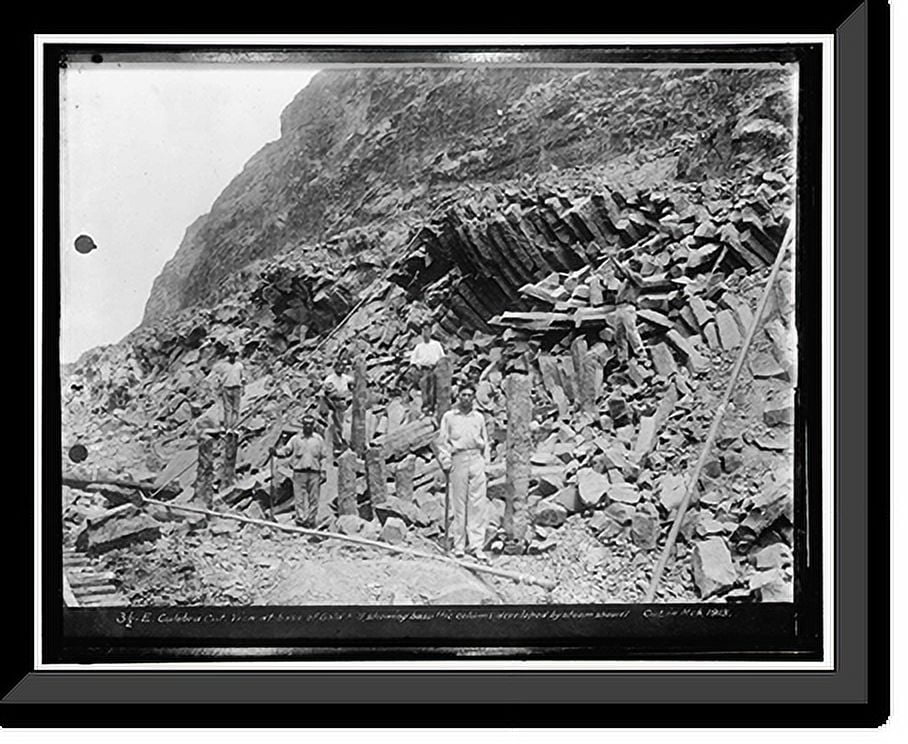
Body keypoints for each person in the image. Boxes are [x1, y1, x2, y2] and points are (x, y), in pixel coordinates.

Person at [437, 384, 491, 561]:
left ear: (474, 397)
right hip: (458, 458)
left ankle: (476, 545)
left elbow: (486, 441)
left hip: (476, 458)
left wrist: (486, 464)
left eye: (469, 395)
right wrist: (445, 462)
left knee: (477, 504)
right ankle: (459, 545)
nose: (466, 398)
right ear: (458, 396)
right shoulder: (449, 417)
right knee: (459, 504)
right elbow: (442, 441)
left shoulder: (479, 417)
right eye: (463, 395)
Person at [270, 414, 326, 528]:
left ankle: (311, 521)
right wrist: (276, 452)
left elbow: (324, 456)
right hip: (299, 472)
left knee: (314, 499)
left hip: (314, 472)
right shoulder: (295, 439)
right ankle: (300, 520)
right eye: (306, 424)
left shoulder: (318, 440)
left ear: (313, 425)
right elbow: (286, 451)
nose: (308, 426)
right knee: (299, 498)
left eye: (311, 424)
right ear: (303, 425)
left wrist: (324, 471)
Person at [408, 323, 446, 417]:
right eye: (423, 331)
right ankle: (425, 408)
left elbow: (442, 357)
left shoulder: (436, 345)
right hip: (424, 370)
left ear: (430, 332)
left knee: (433, 389)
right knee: (424, 389)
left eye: (427, 330)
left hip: (434, 369)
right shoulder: (419, 347)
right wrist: (416, 366)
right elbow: (413, 360)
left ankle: (432, 408)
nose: (425, 333)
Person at [321, 360, 353, 453]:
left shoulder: (346, 378)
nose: (341, 369)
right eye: (339, 367)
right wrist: (331, 405)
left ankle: (346, 444)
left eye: (342, 367)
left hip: (345, 403)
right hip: (334, 403)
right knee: (335, 424)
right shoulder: (329, 379)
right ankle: (337, 445)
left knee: (345, 424)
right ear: (335, 368)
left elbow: (354, 382)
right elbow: (325, 394)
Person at [216, 350, 245, 432]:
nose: (232, 357)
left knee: (236, 408)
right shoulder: (223, 366)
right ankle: (228, 427)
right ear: (229, 356)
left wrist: (243, 388)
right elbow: (219, 377)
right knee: (228, 409)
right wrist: (220, 386)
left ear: (235, 356)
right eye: (231, 355)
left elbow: (242, 377)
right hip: (226, 387)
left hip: (236, 388)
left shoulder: (239, 365)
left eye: (233, 355)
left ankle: (234, 427)